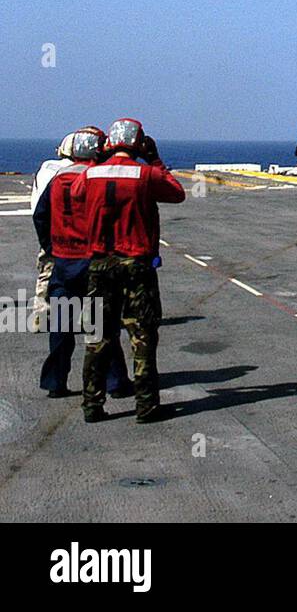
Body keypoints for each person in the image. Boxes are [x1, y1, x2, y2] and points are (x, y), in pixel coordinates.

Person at [77, 119, 186, 424]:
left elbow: (75, 193)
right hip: (137, 265)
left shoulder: (91, 174)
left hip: (100, 264)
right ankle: (147, 406)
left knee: (98, 337)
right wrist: (154, 158)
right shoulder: (145, 174)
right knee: (142, 336)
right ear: (140, 143)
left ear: (110, 143)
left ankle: (92, 405)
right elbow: (177, 193)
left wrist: (98, 161)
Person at [31, 127, 131, 399]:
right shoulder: (97, 179)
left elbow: (40, 216)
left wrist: (52, 248)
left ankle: (55, 382)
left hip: (63, 261)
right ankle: (115, 381)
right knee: (102, 325)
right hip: (94, 260)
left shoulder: (58, 178)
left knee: (61, 326)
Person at [29, 132, 79, 332]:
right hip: (71, 232)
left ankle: (40, 316)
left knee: (46, 272)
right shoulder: (79, 171)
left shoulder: (47, 166)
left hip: (47, 229)